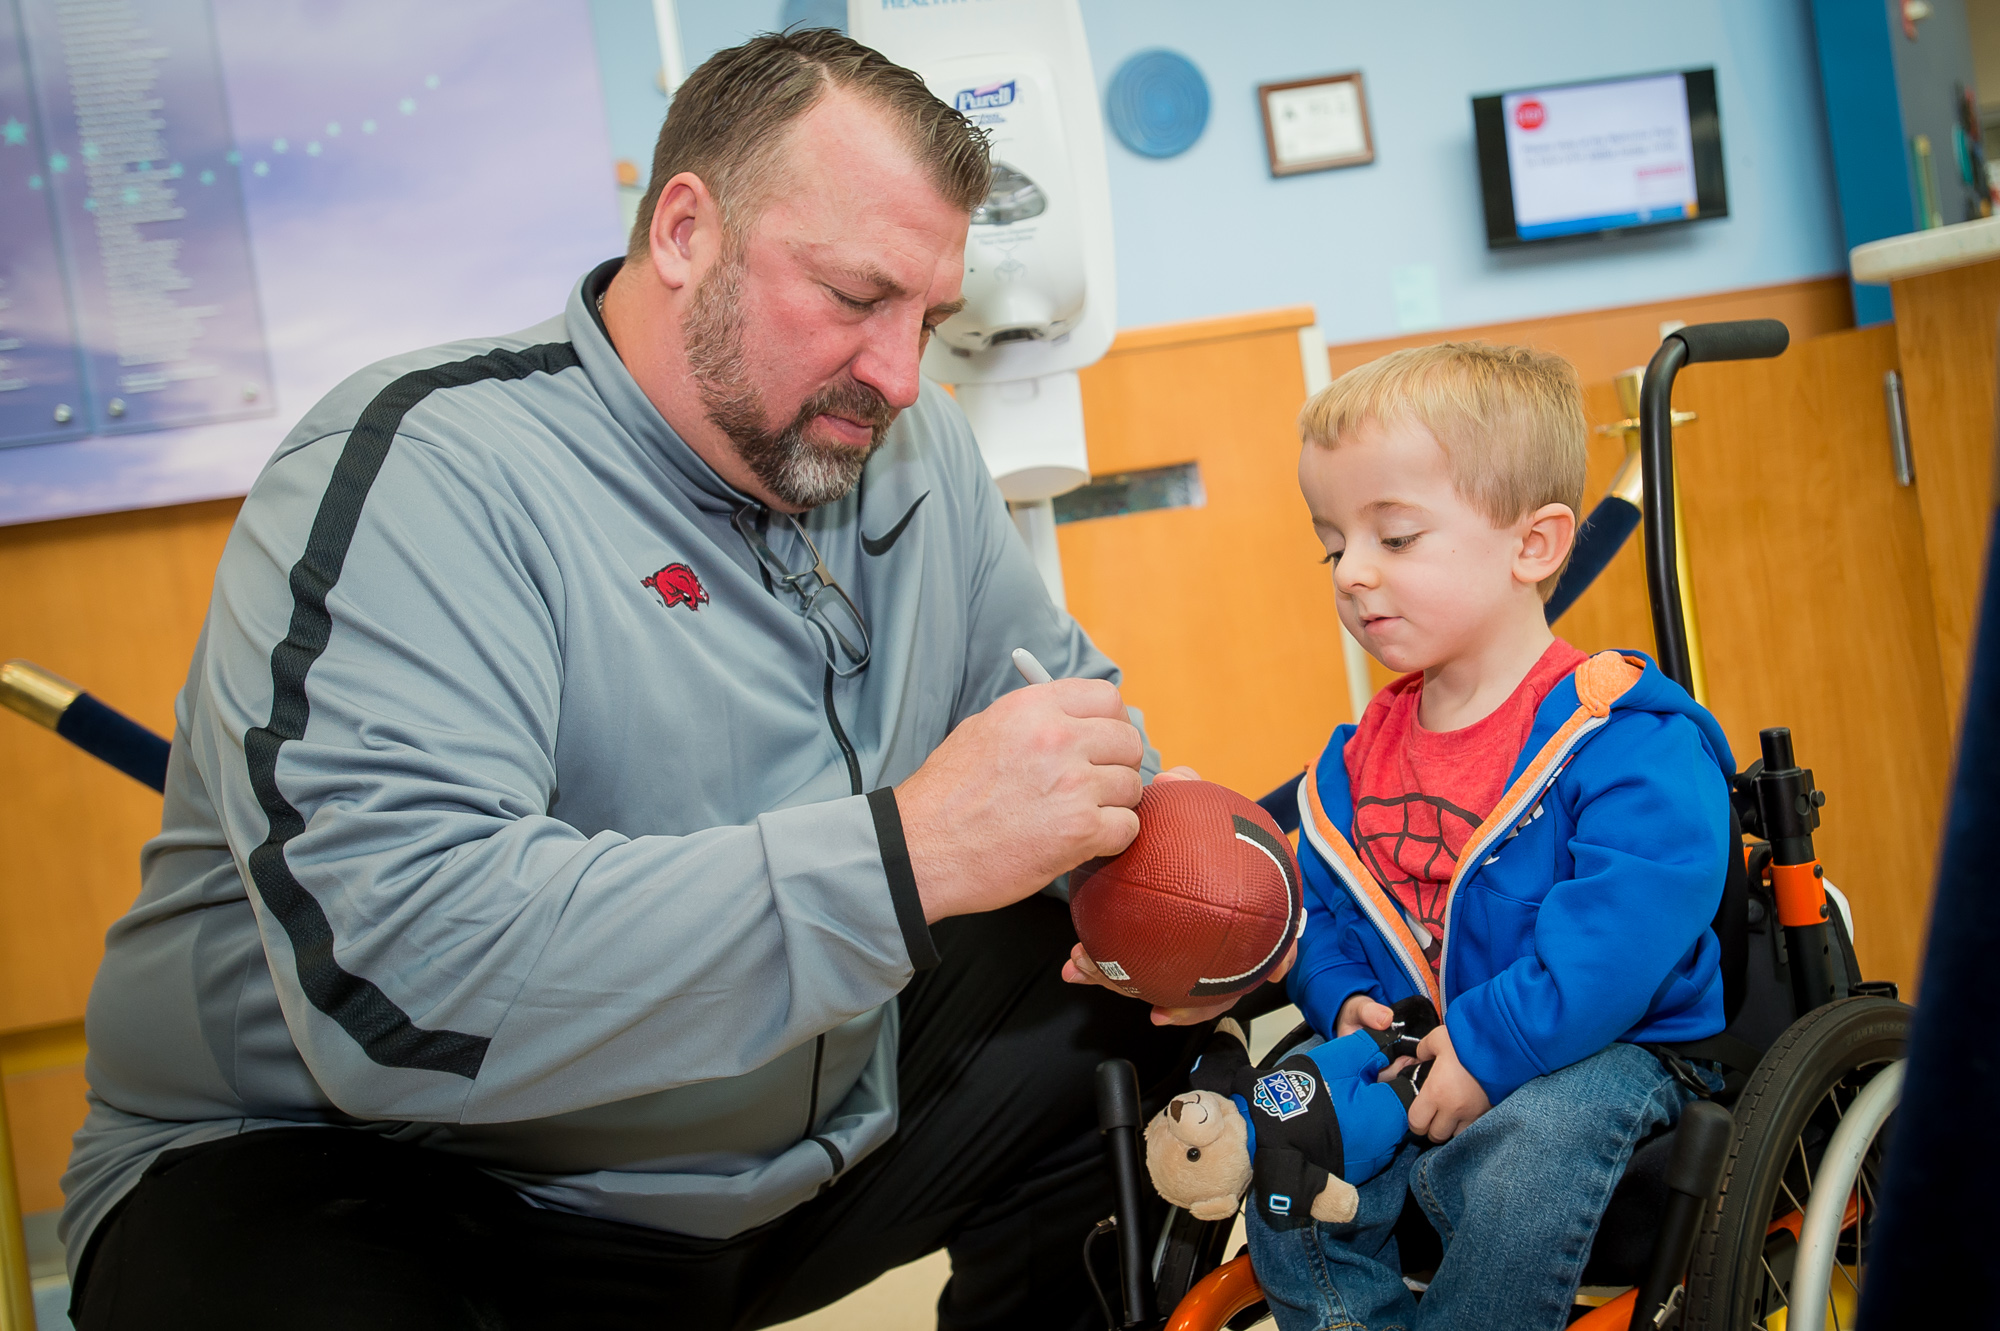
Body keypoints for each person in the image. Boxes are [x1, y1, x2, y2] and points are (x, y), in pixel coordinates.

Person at [60, 31, 1204, 1331]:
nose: (900, 373)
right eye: (853, 295)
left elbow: (1074, 747)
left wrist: (1214, 897)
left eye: (927, 320)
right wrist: (908, 855)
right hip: (388, 1175)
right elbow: (402, 988)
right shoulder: (428, 472)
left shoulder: (907, 450)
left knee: (1129, 1008)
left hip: (770, 1160)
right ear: (683, 232)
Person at [1073, 342, 1735, 1329]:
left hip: (1606, 1047)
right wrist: (1339, 995)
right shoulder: (1358, 759)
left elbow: (1617, 940)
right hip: (1411, 1038)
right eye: (1332, 545)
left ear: (1534, 544)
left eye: (1394, 536)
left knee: (1526, 1154)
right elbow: (1325, 909)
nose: (1351, 572)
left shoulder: (1625, 738)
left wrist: (1486, 1045)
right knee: (1286, 1134)